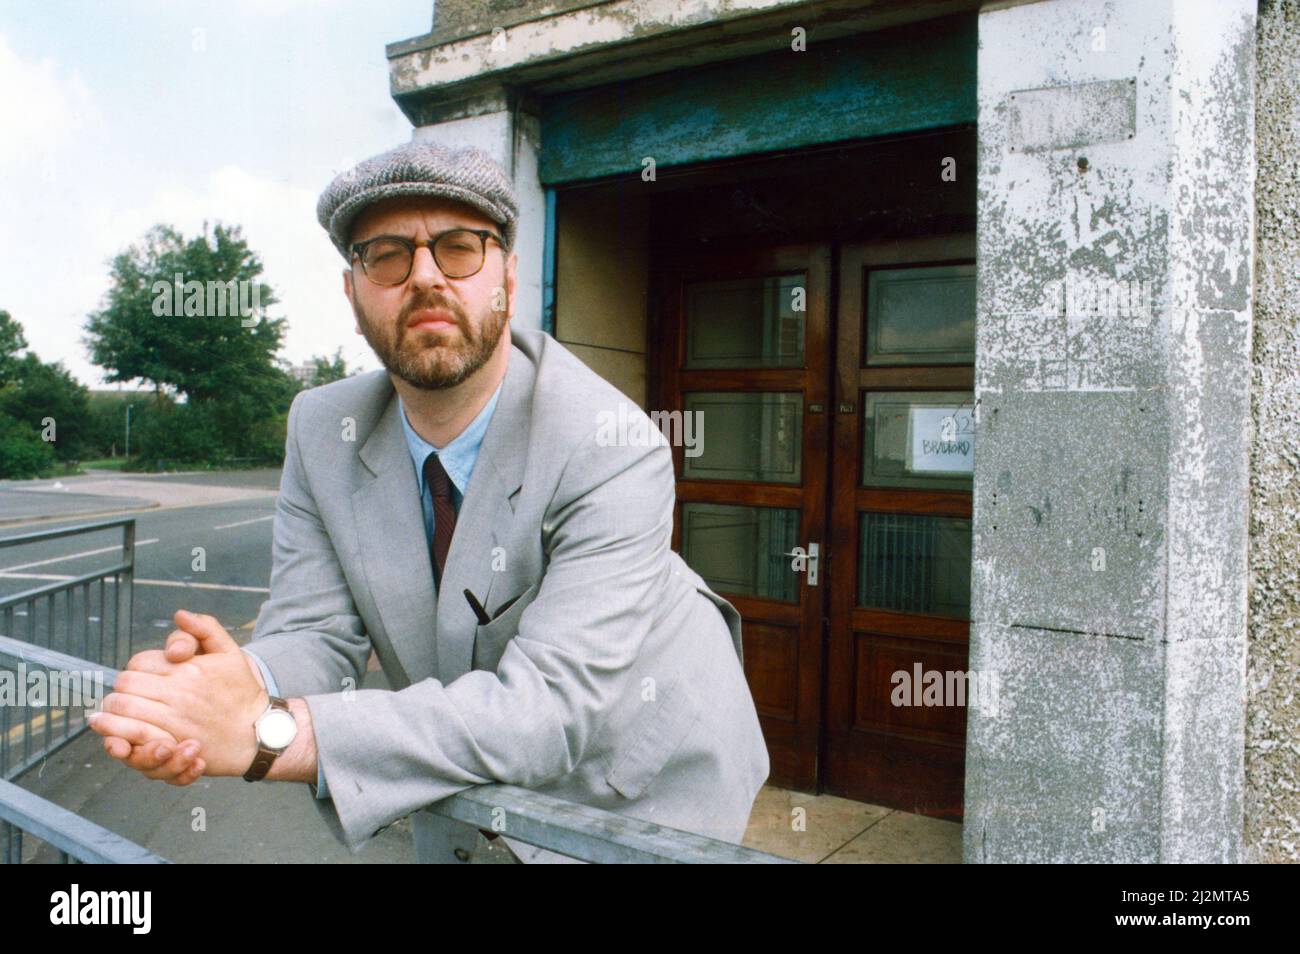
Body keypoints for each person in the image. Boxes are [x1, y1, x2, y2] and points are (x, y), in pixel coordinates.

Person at [87, 140, 770, 863]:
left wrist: (269, 733)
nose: (424, 278)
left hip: (642, 783)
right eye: (385, 254)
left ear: (507, 277)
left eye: (458, 248)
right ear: (352, 295)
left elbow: (547, 712)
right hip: (467, 784)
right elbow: (316, 632)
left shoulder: (611, 443)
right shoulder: (322, 429)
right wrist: (230, 688)